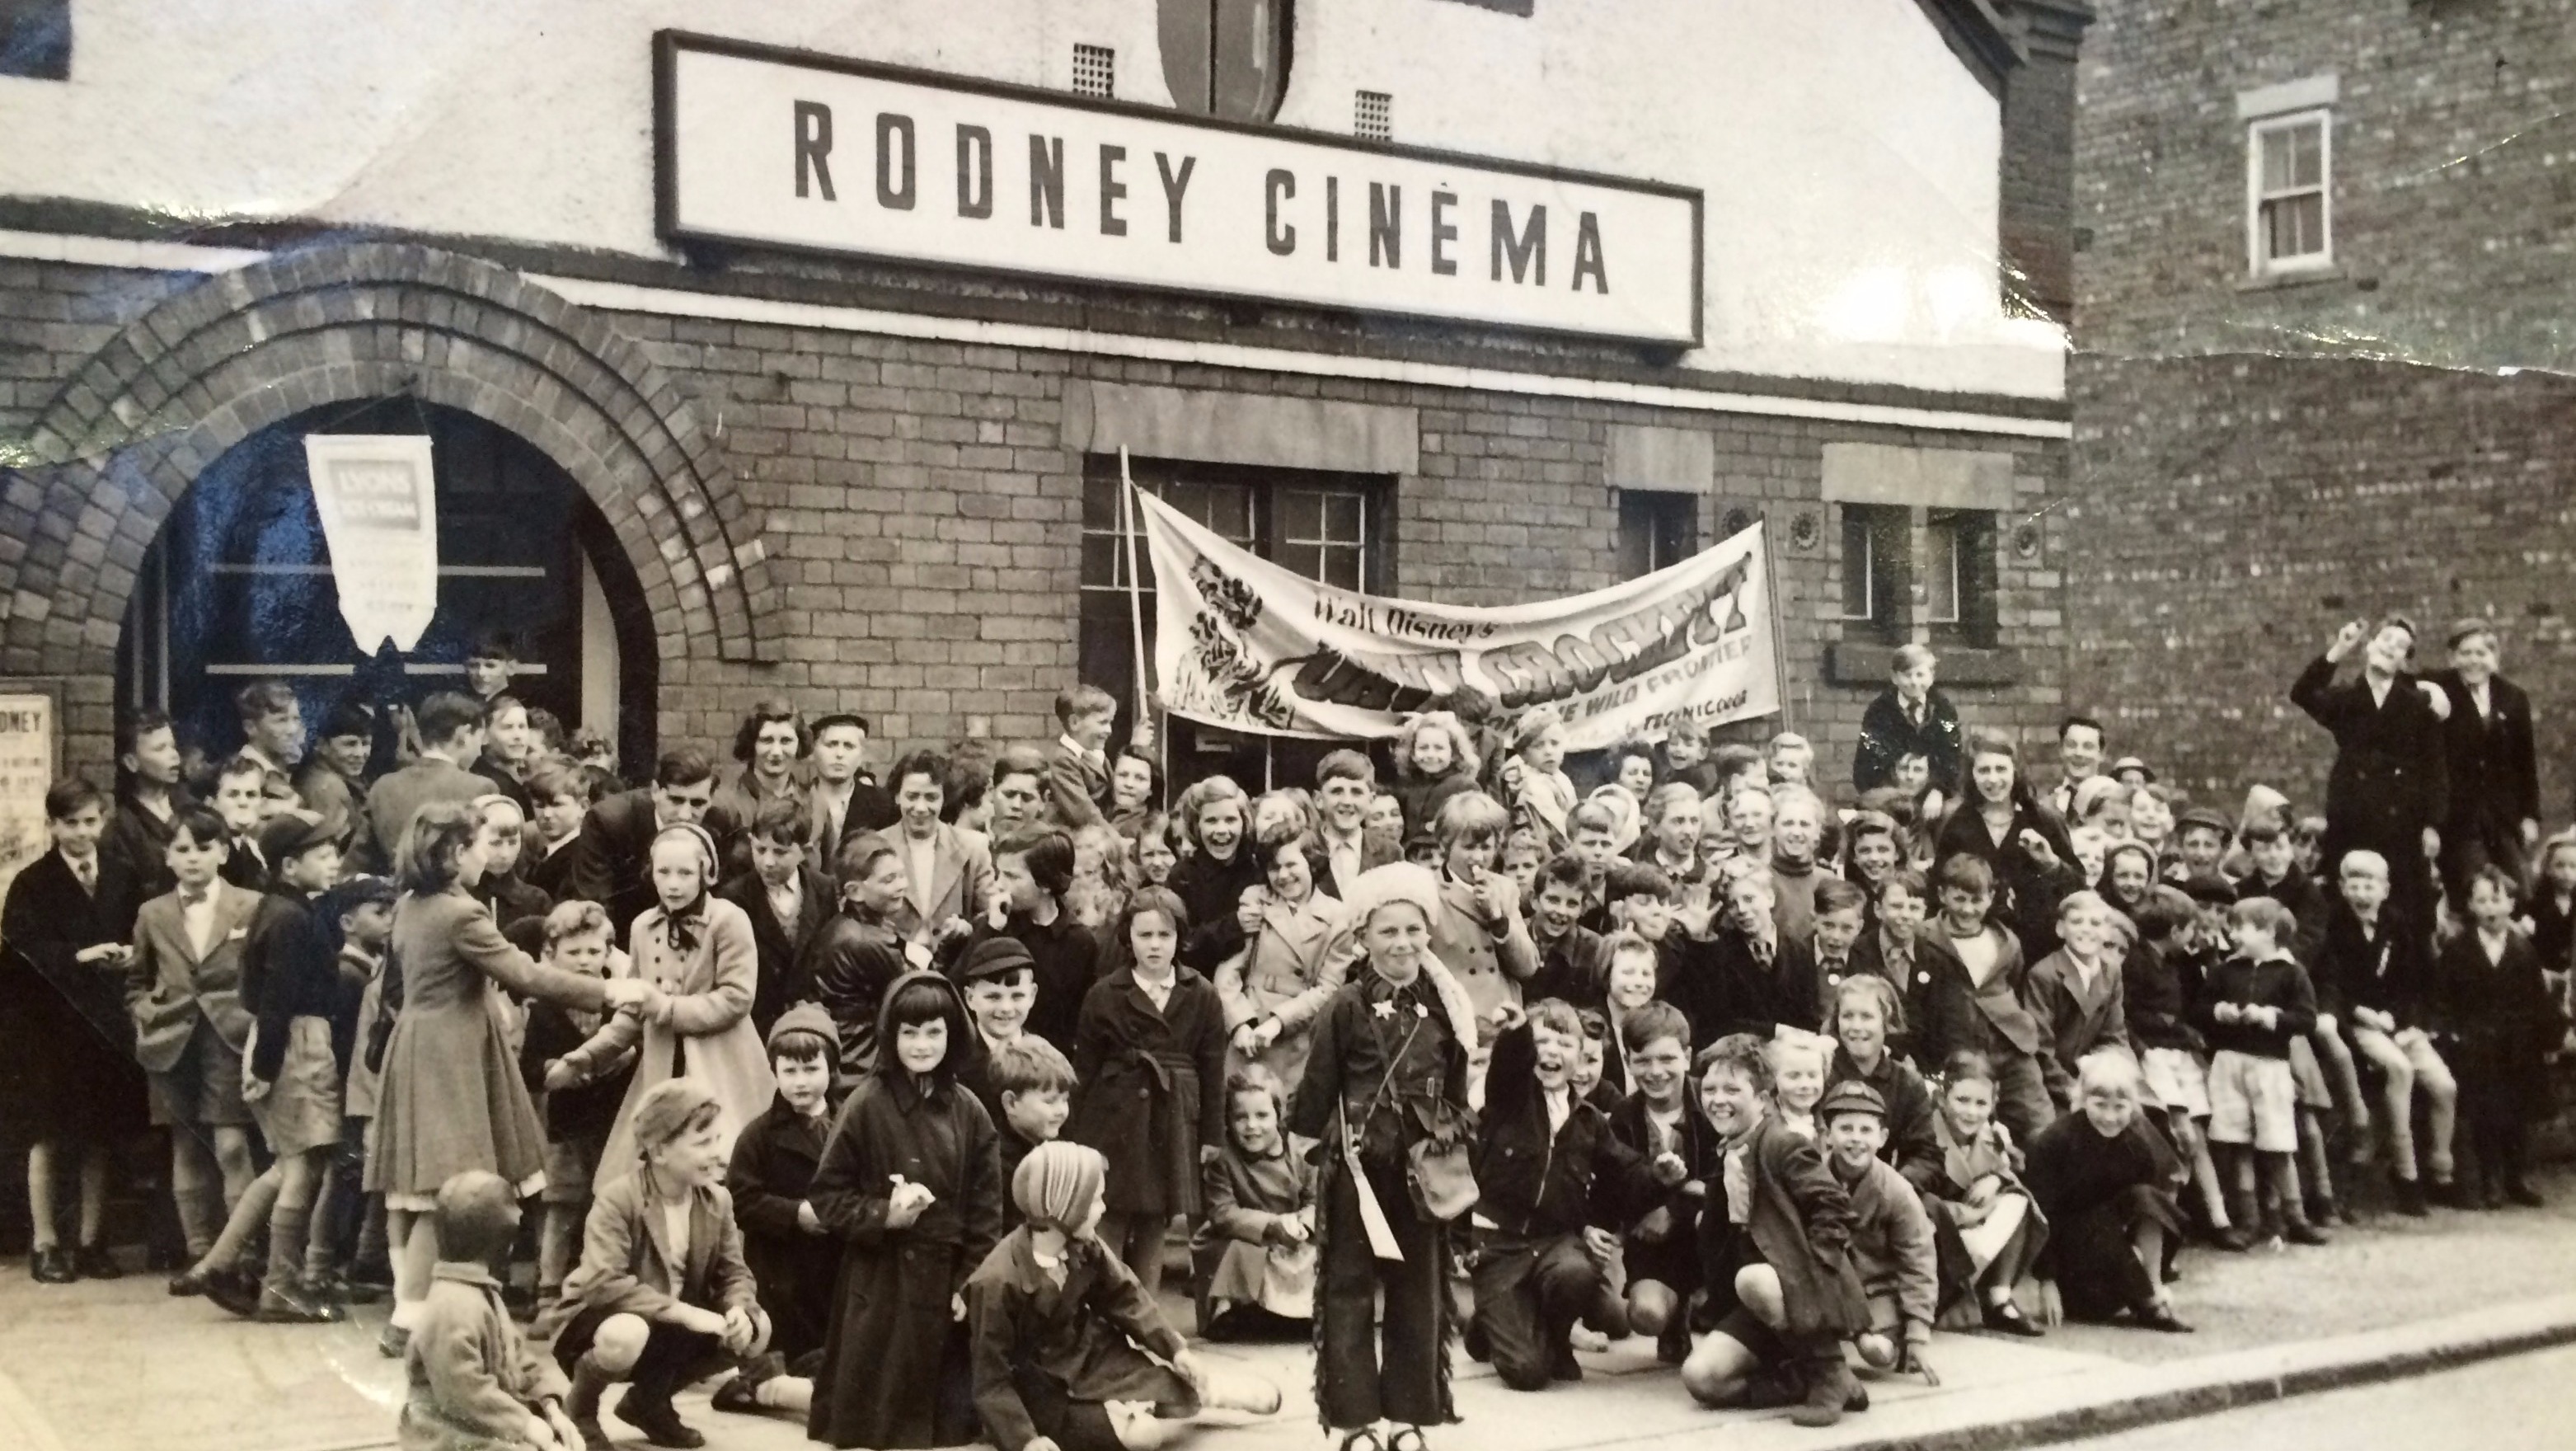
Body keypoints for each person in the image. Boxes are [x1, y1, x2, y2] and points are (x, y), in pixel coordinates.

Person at [366, 801, 654, 1359]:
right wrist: (610, 991)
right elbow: (524, 974)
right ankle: (410, 1320)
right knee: (445, 1191)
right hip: (452, 1052)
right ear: (454, 854)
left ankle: (413, 1310)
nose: (487, 856)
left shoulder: (409, 905)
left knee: (418, 1189)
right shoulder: (460, 913)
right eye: (479, 845)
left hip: (419, 1043)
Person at [1293, 862, 1477, 1447]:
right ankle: (1353, 1419)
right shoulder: (1345, 1004)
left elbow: (1455, 1084)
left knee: (1418, 1289)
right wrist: (1311, 1152)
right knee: (1346, 1287)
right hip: (1356, 1165)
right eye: (1387, 932)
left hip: (1421, 1168)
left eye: (1413, 931)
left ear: (1428, 933)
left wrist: (1447, 1143)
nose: (1402, 944)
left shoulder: (1446, 1004)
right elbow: (1317, 1085)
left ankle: (1409, 1416)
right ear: (1362, 938)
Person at [965, 1141, 1280, 1451]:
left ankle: (1205, 1391)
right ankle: (1135, 1409)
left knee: (1169, 1386)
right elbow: (991, 1380)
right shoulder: (996, 1282)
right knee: (1144, 1436)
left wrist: (1174, 1349)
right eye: (1095, 1201)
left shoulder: (1085, 1246)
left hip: (1095, 1358)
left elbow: (1125, 1296)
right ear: (1063, 1208)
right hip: (1045, 1390)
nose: (1102, 1209)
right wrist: (1024, 1440)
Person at [805, 971, 1004, 1449]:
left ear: (952, 1034)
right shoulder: (865, 1105)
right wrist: (882, 1215)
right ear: (890, 1037)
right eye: (909, 1032)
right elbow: (827, 1197)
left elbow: (986, 1210)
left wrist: (970, 1281)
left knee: (944, 1426)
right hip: (880, 1283)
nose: (921, 1044)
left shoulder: (970, 1111)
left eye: (933, 1031)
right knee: (877, 1424)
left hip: (944, 1282)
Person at [185, 812, 357, 1322]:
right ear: (289, 864)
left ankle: (216, 1265)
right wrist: (264, 1063)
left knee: (285, 1164)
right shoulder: (291, 918)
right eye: (322, 854)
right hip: (296, 1041)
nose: (334, 862)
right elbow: (278, 996)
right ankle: (281, 1288)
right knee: (303, 1165)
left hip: (283, 1039)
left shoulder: (279, 909)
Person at [538, 1078, 771, 1451]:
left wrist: (738, 1309)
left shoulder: (717, 1201)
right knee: (627, 1333)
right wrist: (685, 1313)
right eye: (703, 1143)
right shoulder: (619, 1199)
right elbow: (603, 1282)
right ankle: (579, 1409)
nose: (718, 1153)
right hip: (599, 1322)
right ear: (660, 1150)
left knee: (758, 1330)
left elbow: (734, 1272)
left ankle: (649, 1403)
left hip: (666, 1324)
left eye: (717, 1139)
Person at [1468, 999, 1683, 1392]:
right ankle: (1490, 1324)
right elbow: (1507, 1068)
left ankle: (1556, 1336)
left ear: (1580, 1056)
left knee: (1578, 1273)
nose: (1552, 1052)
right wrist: (1516, 1035)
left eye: (1565, 1045)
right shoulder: (1509, 1099)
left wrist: (1659, 1175)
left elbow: (1625, 1171)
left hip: (1553, 1241)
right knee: (1527, 1373)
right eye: (1542, 1042)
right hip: (1500, 1245)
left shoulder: (1588, 1120)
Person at [551, 824, 776, 1186]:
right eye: (663, 872)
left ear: (706, 873)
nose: (673, 884)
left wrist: (666, 1008)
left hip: (720, 1063)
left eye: (685, 873)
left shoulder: (728, 920)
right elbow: (632, 1010)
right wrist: (589, 1056)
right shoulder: (643, 926)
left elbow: (737, 997)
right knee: (644, 1169)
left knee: (726, 1162)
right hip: (661, 1066)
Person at [1679, 1033, 1870, 1428]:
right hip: (1754, 1304)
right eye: (1710, 1089)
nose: (1717, 1099)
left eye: (1733, 1089)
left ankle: (1828, 1370)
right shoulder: (1729, 1149)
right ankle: (1799, 1380)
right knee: (1701, 1379)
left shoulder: (1782, 1144)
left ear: (1763, 1099)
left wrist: (1813, 1271)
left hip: (1793, 1291)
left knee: (1755, 1279)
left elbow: (1833, 1204)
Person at [2, 777, 147, 1284]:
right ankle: (44, 1243)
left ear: (102, 822)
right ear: (51, 826)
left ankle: (91, 1242)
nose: (82, 833)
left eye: (90, 822)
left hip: (105, 1027)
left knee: (98, 1139)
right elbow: (17, 954)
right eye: (70, 823)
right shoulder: (32, 883)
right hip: (51, 1031)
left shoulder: (123, 878)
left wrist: (129, 955)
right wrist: (74, 956)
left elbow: (139, 933)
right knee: (49, 1136)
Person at [127, 806, 264, 1284]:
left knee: (230, 1144)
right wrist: (145, 1012)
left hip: (227, 1038)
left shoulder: (249, 905)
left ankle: (240, 1253)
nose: (193, 859)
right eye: (181, 849)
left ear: (224, 852)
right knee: (186, 1145)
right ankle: (199, 1252)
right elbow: (137, 978)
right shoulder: (153, 913)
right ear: (167, 857)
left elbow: (263, 972)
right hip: (172, 1041)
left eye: (204, 848)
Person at [1069, 887, 1228, 1298]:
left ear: (1180, 939)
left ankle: (1145, 1315)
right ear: (1128, 938)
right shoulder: (1104, 994)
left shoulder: (1202, 994)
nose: (1155, 946)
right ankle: (1102, 1312)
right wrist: (1079, 1135)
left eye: (1165, 935)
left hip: (1172, 1114)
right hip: (1114, 1114)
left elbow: (1213, 1069)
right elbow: (1084, 1071)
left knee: (1156, 1218)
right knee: (1110, 1215)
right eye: (1144, 936)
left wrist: (1212, 1135)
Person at [712, 1003, 844, 1420]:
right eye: (789, 1071)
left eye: (811, 1069)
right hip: (780, 1264)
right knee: (789, 1331)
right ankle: (763, 1384)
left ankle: (805, 1380)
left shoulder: (849, 1125)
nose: (801, 1082)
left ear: (831, 1069)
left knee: (831, 1327)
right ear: (775, 1072)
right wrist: (794, 1215)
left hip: (834, 1256)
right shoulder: (760, 1135)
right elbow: (742, 1199)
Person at [396, 1169, 581, 1451]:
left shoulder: (480, 1292)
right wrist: (526, 1424)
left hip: (485, 1427)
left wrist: (551, 1406)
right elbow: (465, 1393)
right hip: (445, 1439)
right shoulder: (453, 1306)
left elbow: (519, 1359)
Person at [2291, 616, 2450, 940]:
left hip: (2402, 819)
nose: (2392, 646)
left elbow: (2435, 767)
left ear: (2405, 662)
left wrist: (2433, 824)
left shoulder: (2419, 704)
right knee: (2348, 898)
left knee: (2405, 904)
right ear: (2370, 646)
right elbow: (2303, 693)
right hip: (2352, 812)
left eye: (2401, 646)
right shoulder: (2346, 698)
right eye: (2386, 638)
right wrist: (2340, 648)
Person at [2317, 851, 2453, 1215]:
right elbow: (2329, 982)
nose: (2362, 894)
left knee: (2444, 1086)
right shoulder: (2335, 926)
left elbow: (2413, 980)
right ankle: (2407, 1174)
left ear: (2385, 889)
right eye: (2355, 886)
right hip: (2361, 1024)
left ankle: (2443, 1172)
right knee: (2399, 1069)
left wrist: (2405, 1021)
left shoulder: (2396, 924)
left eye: (2370, 886)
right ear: (2343, 889)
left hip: (2398, 1024)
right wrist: (2360, 1013)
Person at [2024, 1050, 2192, 1332]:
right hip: (2075, 1269)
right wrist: (2047, 1280)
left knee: (2145, 1196)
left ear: (2133, 1106)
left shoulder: (2136, 1145)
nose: (2110, 1117)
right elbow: (2041, 1213)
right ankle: (2148, 1303)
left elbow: (2149, 1210)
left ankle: (2151, 1289)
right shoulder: (2055, 1142)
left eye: (2120, 1107)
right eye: (2100, 1105)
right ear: (2081, 1100)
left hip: (2115, 1259)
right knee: (2095, 1220)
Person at [519, 901, 634, 1308]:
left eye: (593, 952)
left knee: (607, 1200)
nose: (585, 962)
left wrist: (623, 1058)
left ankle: (599, 1285)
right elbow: (529, 1065)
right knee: (561, 1204)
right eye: (574, 953)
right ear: (550, 956)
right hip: (564, 1124)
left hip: (609, 1118)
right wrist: (554, 1067)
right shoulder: (543, 1007)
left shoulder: (616, 1005)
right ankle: (548, 1289)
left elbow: (633, 1046)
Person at [2195, 897, 2327, 1247]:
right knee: (2237, 1141)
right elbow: (2199, 1009)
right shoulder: (2225, 971)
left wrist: (2270, 1017)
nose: (2233, 933)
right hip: (2230, 1062)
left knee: (2278, 1141)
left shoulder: (2291, 972)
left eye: (2242, 927)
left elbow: (2306, 1018)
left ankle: (2294, 1217)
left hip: (2270, 1066)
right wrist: (2220, 1012)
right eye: (2232, 926)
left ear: (2269, 933)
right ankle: (2249, 1219)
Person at [2433, 866, 2565, 1209]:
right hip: (2477, 1042)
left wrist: (2550, 1039)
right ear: (2471, 907)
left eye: (2497, 900)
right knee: (2486, 1114)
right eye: (2482, 901)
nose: (2490, 909)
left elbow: (2540, 999)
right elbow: (2443, 998)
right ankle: (2490, 1178)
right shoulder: (2459, 950)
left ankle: (2516, 1176)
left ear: (2511, 905)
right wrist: (2453, 1035)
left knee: (2518, 1113)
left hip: (2519, 1043)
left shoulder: (2524, 950)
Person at [1907, 855, 2053, 1148]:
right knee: (1972, 1128)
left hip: (2010, 1044)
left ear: (1991, 898)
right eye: (1959, 899)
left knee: (2039, 1122)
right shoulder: (1924, 937)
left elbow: (2012, 979)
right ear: (1942, 896)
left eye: (1977, 900)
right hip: (1958, 1046)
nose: (1968, 909)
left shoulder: (2005, 940)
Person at [2124, 887, 2236, 1245]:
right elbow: (2129, 1015)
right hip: (2153, 1057)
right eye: (2189, 929)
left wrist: (2181, 1030)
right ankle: (2164, 1228)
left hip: (2178, 1055)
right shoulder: (2135, 964)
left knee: (2196, 1139)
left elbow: (2188, 1005)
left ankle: (2218, 1219)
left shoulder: (2176, 964)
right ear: (2175, 933)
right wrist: (2154, 1037)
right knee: (2176, 1138)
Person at [1816, 1082, 1939, 1384]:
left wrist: (1918, 1334)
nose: (1856, 1139)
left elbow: (1918, 1259)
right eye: (1846, 1128)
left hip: (1874, 1292)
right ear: (1828, 1134)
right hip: (1825, 1286)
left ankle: (1879, 1335)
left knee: (1878, 1353)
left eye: (1866, 1130)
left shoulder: (1896, 1191)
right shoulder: (1812, 1177)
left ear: (1882, 1137)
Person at [1214, 824, 1353, 1090]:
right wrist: (1239, 1023)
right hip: (1250, 1032)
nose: (1283, 875)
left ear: (1312, 862)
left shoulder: (1338, 917)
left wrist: (1279, 1022)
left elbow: (1328, 988)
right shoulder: (1256, 902)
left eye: (1291, 865)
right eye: (1274, 868)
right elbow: (1228, 973)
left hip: (1299, 1034)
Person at [1920, 1052, 2046, 1336]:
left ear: (1993, 1103)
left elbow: (2009, 1173)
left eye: (1981, 1103)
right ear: (1943, 1099)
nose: (1971, 1112)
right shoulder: (1926, 1134)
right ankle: (1946, 1300)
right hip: (1941, 1239)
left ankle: (1998, 1296)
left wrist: (1997, 1178)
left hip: (1977, 1244)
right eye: (1962, 1101)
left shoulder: (1992, 1136)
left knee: (2017, 1199)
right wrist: (1974, 1213)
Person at [1193, 1066, 1318, 1341]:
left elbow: (1317, 1201)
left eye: (1262, 1115)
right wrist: (1272, 1225)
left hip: (1293, 1234)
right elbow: (1223, 1212)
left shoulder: (1300, 1152)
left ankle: (1300, 1316)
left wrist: (1302, 1225)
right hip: (1248, 1235)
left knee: (1321, 1251)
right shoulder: (1222, 1158)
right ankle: (1239, 1313)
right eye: (1241, 1117)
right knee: (1238, 1251)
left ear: (1278, 1115)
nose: (1252, 1126)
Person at [2424, 621, 2539, 905]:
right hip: (2460, 816)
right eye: (2465, 653)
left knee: (2520, 894)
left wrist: (2530, 815)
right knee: (2475, 890)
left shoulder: (2513, 698)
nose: (2473, 661)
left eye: (2481, 653)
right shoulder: (2441, 688)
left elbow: (2525, 762)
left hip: (2504, 815)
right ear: (2453, 658)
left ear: (2494, 656)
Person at [568, 745, 736, 933]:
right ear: (655, 791)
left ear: (711, 799)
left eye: (698, 803)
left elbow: (720, 899)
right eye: (676, 800)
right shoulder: (608, 822)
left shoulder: (721, 822)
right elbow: (593, 907)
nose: (685, 815)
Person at [861, 748, 997, 962]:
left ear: (945, 798)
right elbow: (861, 917)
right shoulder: (874, 846)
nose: (921, 807)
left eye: (931, 797)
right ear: (897, 796)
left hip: (955, 966)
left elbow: (990, 913)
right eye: (912, 796)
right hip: (891, 965)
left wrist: (966, 928)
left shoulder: (973, 847)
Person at [715, 796, 834, 1039]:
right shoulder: (733, 897)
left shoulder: (824, 890)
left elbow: (828, 954)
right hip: (754, 1025)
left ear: (805, 851)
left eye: (781, 852)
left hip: (808, 1020)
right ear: (750, 842)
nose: (768, 862)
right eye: (760, 849)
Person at [800, 838, 913, 1076]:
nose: (902, 885)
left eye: (902, 875)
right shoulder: (864, 941)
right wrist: (947, 949)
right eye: (889, 880)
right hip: (862, 1065)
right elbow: (916, 997)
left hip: (848, 1057)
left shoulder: (846, 926)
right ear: (854, 891)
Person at [1822, 975, 1940, 1190]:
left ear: (1887, 1021)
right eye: (1848, 1016)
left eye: (1867, 1017)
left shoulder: (1906, 1083)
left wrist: (1894, 1188)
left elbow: (1925, 1154)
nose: (1856, 1027)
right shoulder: (1822, 1073)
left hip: (1884, 1193)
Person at [989, 829, 1102, 1054]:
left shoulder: (1079, 941)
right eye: (999, 874)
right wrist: (991, 930)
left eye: (1012, 876)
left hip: (1052, 1058)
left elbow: (1083, 1017)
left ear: (1046, 883)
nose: (999, 885)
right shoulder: (997, 925)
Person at [363, 693, 494, 874]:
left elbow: (357, 863)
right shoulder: (481, 787)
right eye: (479, 738)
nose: (480, 752)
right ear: (462, 734)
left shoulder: (383, 786)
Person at [2024, 891, 2130, 1113]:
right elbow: (2040, 1050)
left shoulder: (2111, 972)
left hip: (2093, 1080)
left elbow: (2114, 1036)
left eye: (2096, 923)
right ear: (2061, 929)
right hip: (2052, 1083)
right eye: (2077, 922)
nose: (2086, 929)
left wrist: (2107, 1081)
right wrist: (2072, 1090)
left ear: (2107, 931)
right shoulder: (2044, 974)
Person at [1166, 775, 1259, 972]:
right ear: (1197, 825)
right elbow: (1181, 944)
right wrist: (1234, 925)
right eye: (1211, 821)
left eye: (1230, 820)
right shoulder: (1182, 876)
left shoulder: (1256, 870)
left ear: (1244, 823)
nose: (1221, 830)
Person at [1854, 645, 1962, 800]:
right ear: (1894, 677)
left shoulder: (1943, 710)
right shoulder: (1879, 711)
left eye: (1920, 675)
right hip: (1889, 790)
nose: (1914, 682)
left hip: (1931, 791)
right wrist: (1891, 792)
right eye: (1907, 675)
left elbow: (1952, 756)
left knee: (1951, 812)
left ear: (1931, 677)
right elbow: (1868, 761)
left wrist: (1938, 790)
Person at [712, 700, 809, 873]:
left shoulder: (814, 804)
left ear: (799, 744)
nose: (776, 752)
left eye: (786, 741)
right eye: (766, 740)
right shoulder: (725, 804)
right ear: (752, 744)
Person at [805, 711, 898, 860]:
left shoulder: (882, 804)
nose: (840, 754)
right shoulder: (798, 799)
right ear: (814, 750)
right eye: (831, 744)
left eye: (849, 746)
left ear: (861, 755)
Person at [1391, 711, 1481, 839]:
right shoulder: (1409, 784)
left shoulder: (1465, 787)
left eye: (1439, 748)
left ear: (1455, 754)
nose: (1430, 755)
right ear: (1412, 753)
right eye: (1423, 748)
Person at [1504, 707, 1579, 859]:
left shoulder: (1560, 777)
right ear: (1524, 754)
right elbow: (1559, 832)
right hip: (1539, 854)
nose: (1549, 751)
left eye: (1555, 743)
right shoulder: (1530, 784)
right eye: (1539, 745)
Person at [1044, 683, 1120, 830]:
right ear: (1074, 723)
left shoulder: (1096, 755)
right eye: (1103, 722)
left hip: (1100, 834)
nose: (1109, 730)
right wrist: (1119, 843)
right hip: (1074, 838)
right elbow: (1084, 813)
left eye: (1110, 723)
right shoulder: (1062, 760)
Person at [523, 763, 600, 904]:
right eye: (539, 806)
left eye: (557, 805)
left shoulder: (580, 860)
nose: (546, 814)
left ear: (583, 807)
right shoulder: (545, 853)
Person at [472, 695, 539, 819]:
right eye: (507, 727)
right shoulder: (488, 782)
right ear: (485, 735)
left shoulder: (524, 776)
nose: (518, 735)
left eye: (522, 727)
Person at [2047, 716, 2107, 821]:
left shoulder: (2114, 800)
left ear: (2102, 754)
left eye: (2088, 747)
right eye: (2071, 745)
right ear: (2061, 750)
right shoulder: (2046, 805)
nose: (2079, 753)